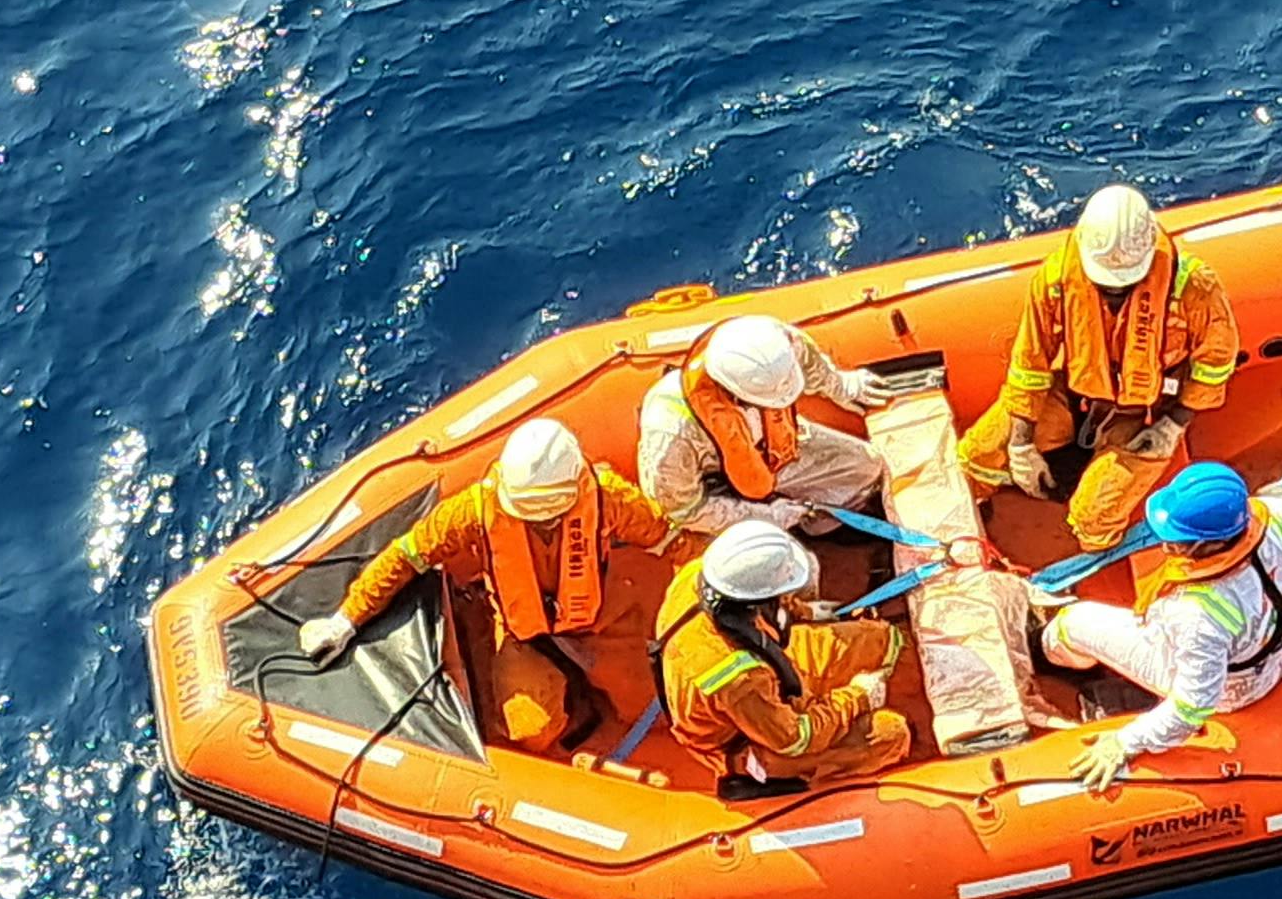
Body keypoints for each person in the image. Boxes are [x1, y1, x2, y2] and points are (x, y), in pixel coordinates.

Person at [301, 417, 667, 752]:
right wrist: (346, 620)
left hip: (598, 622)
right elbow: (406, 557)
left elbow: (667, 537)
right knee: (532, 732)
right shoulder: (473, 511)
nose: (542, 522)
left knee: (651, 709)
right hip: (522, 636)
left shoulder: (609, 498)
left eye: (552, 512)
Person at [962, 183, 1242, 550]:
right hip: (1072, 398)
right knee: (977, 455)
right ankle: (973, 518)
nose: (1114, 293)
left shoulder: (1194, 287)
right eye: (1105, 286)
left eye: (1124, 286)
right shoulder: (1057, 277)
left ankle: (1101, 556)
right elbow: (1029, 364)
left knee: (1094, 518)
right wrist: (1021, 446)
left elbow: (1215, 362)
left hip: (1141, 417)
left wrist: (1173, 424)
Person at [1033, 460, 1282, 791]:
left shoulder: (1197, 615)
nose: (1168, 546)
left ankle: (1044, 652)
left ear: (1214, 543)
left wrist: (1123, 743)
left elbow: (1192, 707)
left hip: (1236, 688)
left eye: (1179, 540)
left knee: (1073, 624)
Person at [654, 521, 913, 789]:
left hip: (764, 677)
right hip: (749, 739)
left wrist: (809, 613)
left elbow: (768, 600)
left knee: (875, 640)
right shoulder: (736, 679)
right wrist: (858, 696)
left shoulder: (698, 576)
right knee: (889, 734)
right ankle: (822, 787)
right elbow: (795, 738)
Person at [637, 313, 895, 541]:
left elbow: (809, 363)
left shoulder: (777, 345)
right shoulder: (671, 433)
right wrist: (770, 516)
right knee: (765, 566)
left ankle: (819, 526)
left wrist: (842, 386)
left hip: (773, 451)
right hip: (711, 489)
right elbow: (687, 511)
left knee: (865, 467)